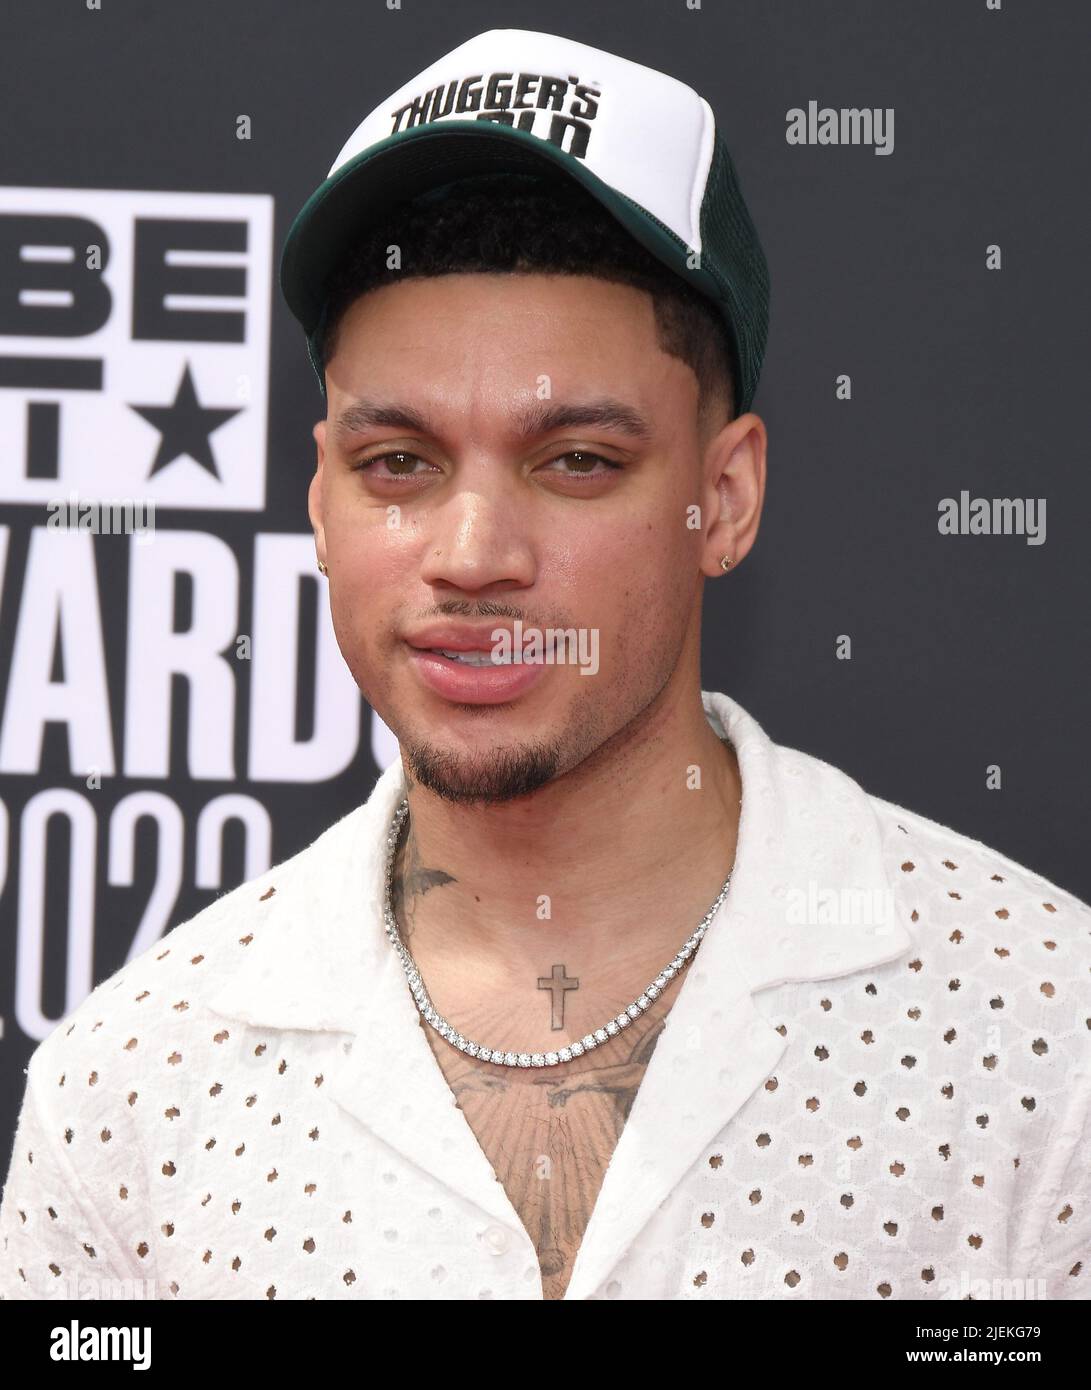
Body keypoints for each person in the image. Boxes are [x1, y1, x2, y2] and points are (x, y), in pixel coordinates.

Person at [1, 27, 1087, 1303]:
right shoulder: (128, 1091)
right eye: (397, 462)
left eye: (574, 460)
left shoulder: (1044, 1032)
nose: (470, 556)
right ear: (319, 499)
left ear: (724, 497)